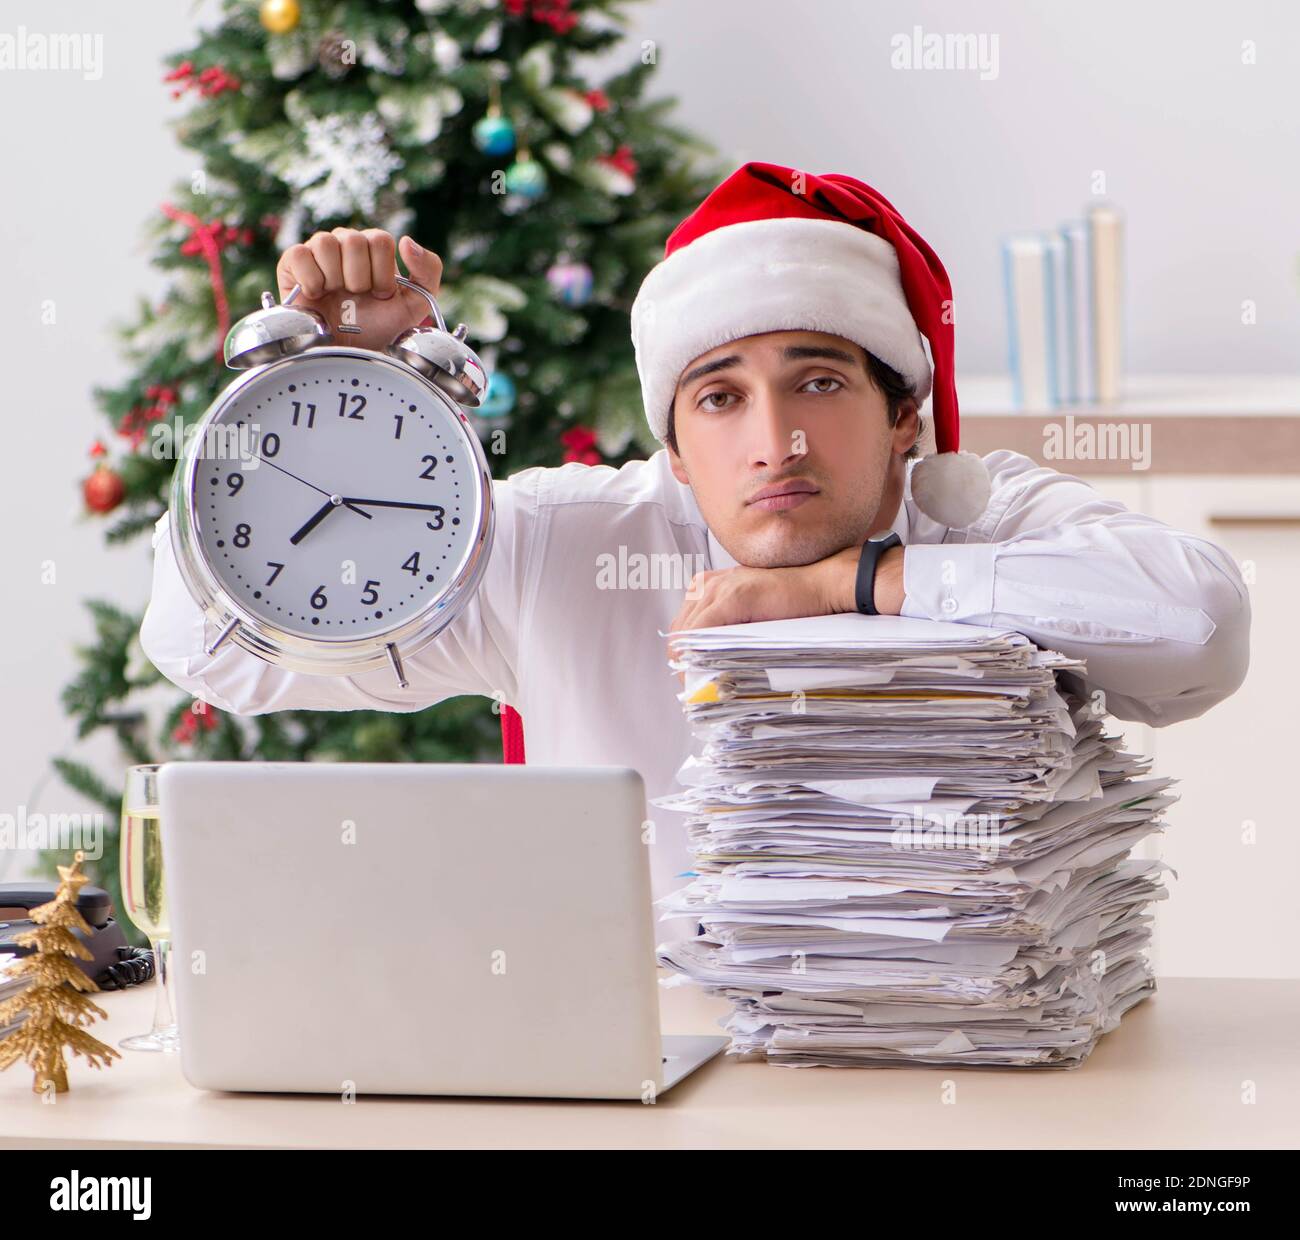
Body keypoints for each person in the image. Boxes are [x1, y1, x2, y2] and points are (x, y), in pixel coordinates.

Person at [140, 162, 1251, 932]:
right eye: (719, 399)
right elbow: (213, 652)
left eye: (818, 381)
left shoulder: (976, 510)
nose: (777, 441)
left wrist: (849, 584)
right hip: (644, 1082)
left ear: (902, 413)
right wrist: (325, 388)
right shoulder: (560, 545)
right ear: (671, 447)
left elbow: (1198, 624)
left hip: (946, 1064)